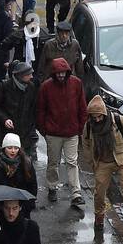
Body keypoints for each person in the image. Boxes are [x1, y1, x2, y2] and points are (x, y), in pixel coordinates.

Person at [82, 95, 123, 235]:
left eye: (99, 117)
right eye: (94, 117)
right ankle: (99, 217)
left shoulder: (119, 120)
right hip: (102, 162)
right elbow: (86, 144)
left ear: (104, 113)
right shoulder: (89, 126)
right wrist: (91, 162)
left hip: (121, 160)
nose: (97, 120)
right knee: (99, 194)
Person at [36, 57, 86, 209]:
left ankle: (76, 193)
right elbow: (40, 110)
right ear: (54, 73)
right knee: (53, 163)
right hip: (54, 133)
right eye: (58, 73)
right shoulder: (46, 87)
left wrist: (80, 128)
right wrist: (44, 130)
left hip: (71, 132)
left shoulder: (77, 84)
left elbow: (82, 106)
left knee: (72, 162)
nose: (61, 75)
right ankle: (52, 187)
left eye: (63, 73)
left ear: (67, 71)